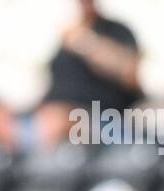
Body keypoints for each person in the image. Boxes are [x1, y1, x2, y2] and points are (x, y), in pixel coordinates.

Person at [36, 0, 142, 147]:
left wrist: (85, 42)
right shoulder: (64, 37)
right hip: (53, 120)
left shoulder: (117, 30)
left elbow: (130, 74)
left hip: (102, 118)